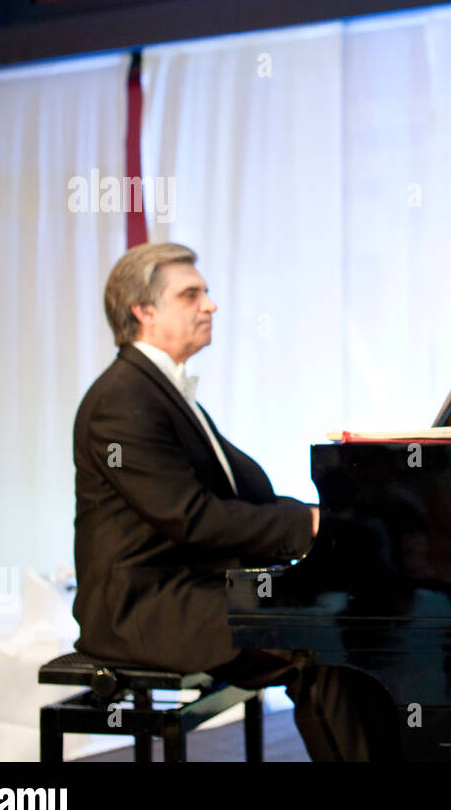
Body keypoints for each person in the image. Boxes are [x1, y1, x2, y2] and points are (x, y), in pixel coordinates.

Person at [73, 241, 396, 760]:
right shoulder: (122, 399)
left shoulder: (161, 391)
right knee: (321, 641)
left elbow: (246, 495)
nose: (210, 304)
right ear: (144, 312)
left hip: (191, 586)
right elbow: (191, 518)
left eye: (206, 292)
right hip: (145, 605)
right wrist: (312, 527)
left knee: (349, 621)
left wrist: (336, 515)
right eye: (191, 294)